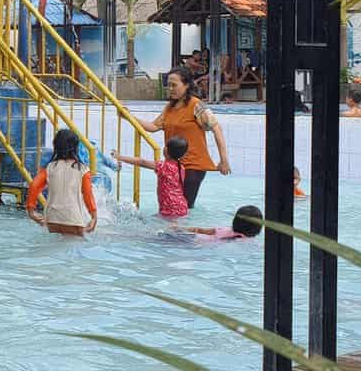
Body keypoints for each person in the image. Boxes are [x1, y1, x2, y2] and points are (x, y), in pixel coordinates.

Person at [138, 66, 231, 208]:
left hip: (194, 165)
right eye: (168, 85)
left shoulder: (196, 105)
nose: (170, 89)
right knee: (174, 207)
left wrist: (223, 161)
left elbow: (216, 129)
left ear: (186, 85)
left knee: (184, 207)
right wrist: (129, 117)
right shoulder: (169, 107)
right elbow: (153, 127)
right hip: (174, 166)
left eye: (174, 85)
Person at [25, 128, 98, 236]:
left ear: (56, 146)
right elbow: (88, 194)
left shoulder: (50, 167)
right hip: (73, 219)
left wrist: (31, 212)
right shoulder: (82, 170)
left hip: (51, 219)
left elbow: (34, 185)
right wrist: (94, 217)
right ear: (76, 147)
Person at [112, 136, 190, 220]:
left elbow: (142, 162)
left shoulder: (163, 166)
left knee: (171, 227)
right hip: (181, 205)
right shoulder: (181, 167)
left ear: (165, 150)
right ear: (183, 155)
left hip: (171, 207)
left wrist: (120, 157)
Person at [182, 205, 264, 241]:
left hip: (192, 239)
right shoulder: (250, 242)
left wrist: (180, 228)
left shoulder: (223, 230)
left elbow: (199, 230)